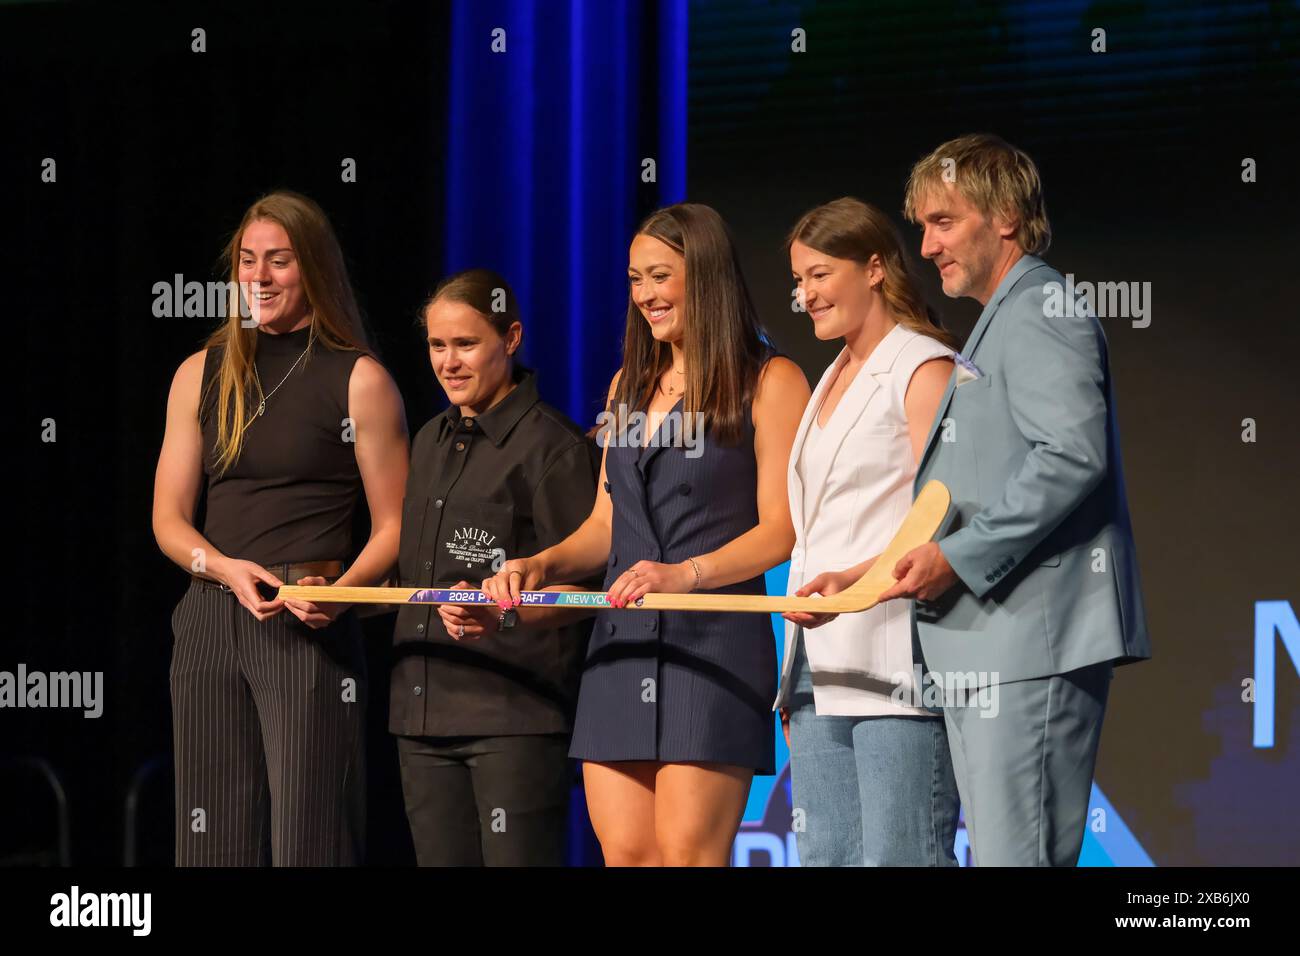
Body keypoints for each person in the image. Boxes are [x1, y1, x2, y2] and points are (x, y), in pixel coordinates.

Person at [482, 203, 810, 866]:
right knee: (627, 852)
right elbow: (607, 525)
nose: (645, 296)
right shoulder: (626, 387)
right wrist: (539, 562)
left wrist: (684, 575)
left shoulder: (771, 380)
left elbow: (783, 531)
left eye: (659, 276)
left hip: (711, 647)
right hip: (620, 648)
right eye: (635, 280)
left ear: (707, 275)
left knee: (687, 853)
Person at [879, 134, 1151, 866]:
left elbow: (1073, 455)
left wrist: (959, 559)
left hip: (1033, 641)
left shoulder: (1041, 307)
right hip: (994, 643)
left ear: (1003, 217)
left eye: (944, 222)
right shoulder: (1004, 316)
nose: (927, 246)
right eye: (923, 226)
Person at [152, 190, 409, 865]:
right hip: (210, 614)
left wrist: (343, 593)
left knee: (310, 835)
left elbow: (396, 527)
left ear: (314, 270)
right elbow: (169, 520)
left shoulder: (358, 378)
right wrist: (223, 567)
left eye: (280, 262)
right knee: (212, 841)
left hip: (303, 620)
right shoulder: (200, 373)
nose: (259, 278)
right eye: (247, 261)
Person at [390, 269, 600, 866]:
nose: (448, 362)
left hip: (515, 719)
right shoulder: (430, 438)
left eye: (466, 344)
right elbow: (412, 574)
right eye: (437, 345)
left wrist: (502, 618)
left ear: (510, 339)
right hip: (422, 715)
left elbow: (583, 589)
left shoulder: (552, 444)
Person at [775, 197, 960, 866]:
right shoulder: (829, 376)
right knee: (826, 856)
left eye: (820, 274)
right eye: (800, 280)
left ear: (875, 268)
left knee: (900, 856)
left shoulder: (921, 364)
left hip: (896, 658)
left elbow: (946, 512)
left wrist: (859, 580)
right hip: (817, 666)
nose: (807, 295)